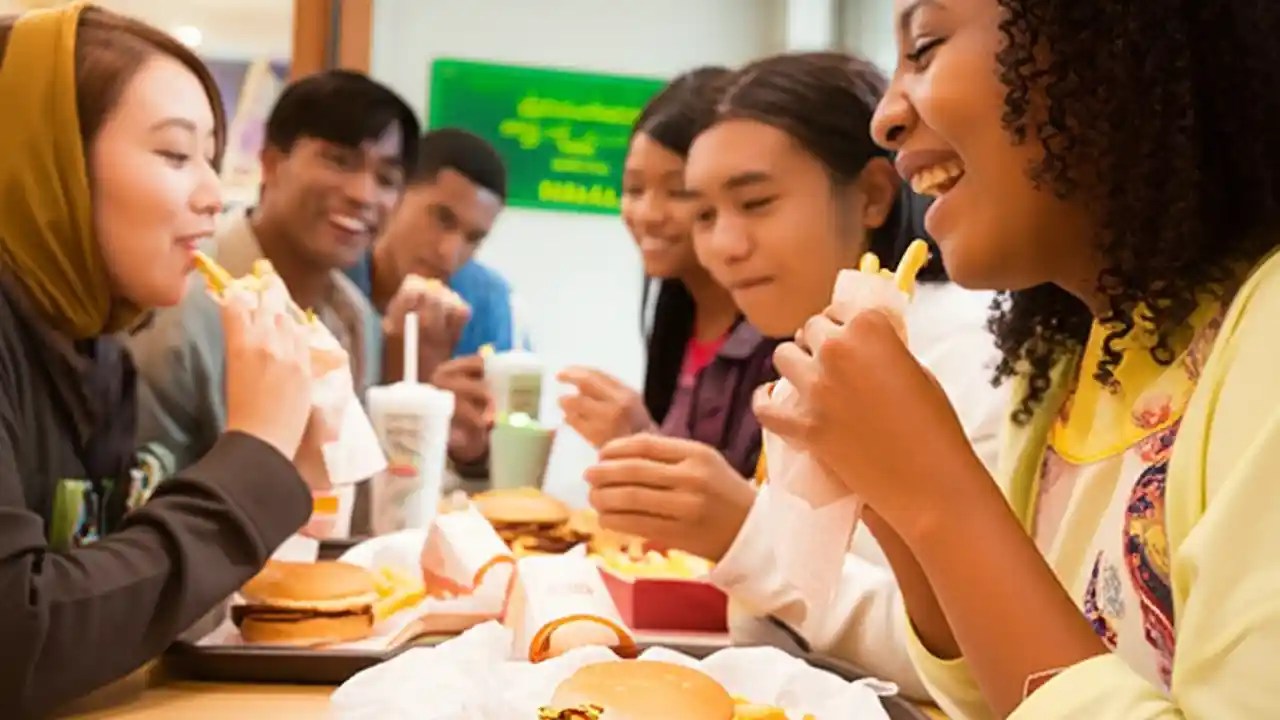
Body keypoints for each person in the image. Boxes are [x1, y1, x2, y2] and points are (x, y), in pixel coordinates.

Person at [751, 2, 1280, 718]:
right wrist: (895, 499)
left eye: (926, 46)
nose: (885, 118)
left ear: (1106, 41)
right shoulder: (1065, 359)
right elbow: (992, 694)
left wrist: (937, 492)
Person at [584, 52, 1006, 700]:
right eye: (704, 216)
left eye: (755, 203)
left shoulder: (960, 350)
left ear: (869, 194)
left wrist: (745, 532)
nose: (723, 245)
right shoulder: (820, 350)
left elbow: (973, 657)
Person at [0, 5, 320, 715]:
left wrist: (290, 472)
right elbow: (17, 637)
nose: (214, 194)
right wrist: (256, 453)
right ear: (46, 158)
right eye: (176, 155)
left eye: (211, 156)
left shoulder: (98, 347)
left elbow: (106, 600)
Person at [129, 69, 419, 477]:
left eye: (387, 179)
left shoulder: (356, 321)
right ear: (270, 162)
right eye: (338, 160)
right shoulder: (182, 303)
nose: (363, 194)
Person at [557, 67, 776, 478]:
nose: (647, 214)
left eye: (678, 192)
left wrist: (642, 441)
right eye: (634, 189)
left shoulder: (776, 333)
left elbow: (761, 513)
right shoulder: (677, 315)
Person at [344, 128, 512, 468]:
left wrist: (473, 448)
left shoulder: (484, 301)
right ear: (395, 194)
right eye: (442, 219)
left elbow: (491, 455)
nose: (450, 254)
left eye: (473, 238)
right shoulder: (337, 279)